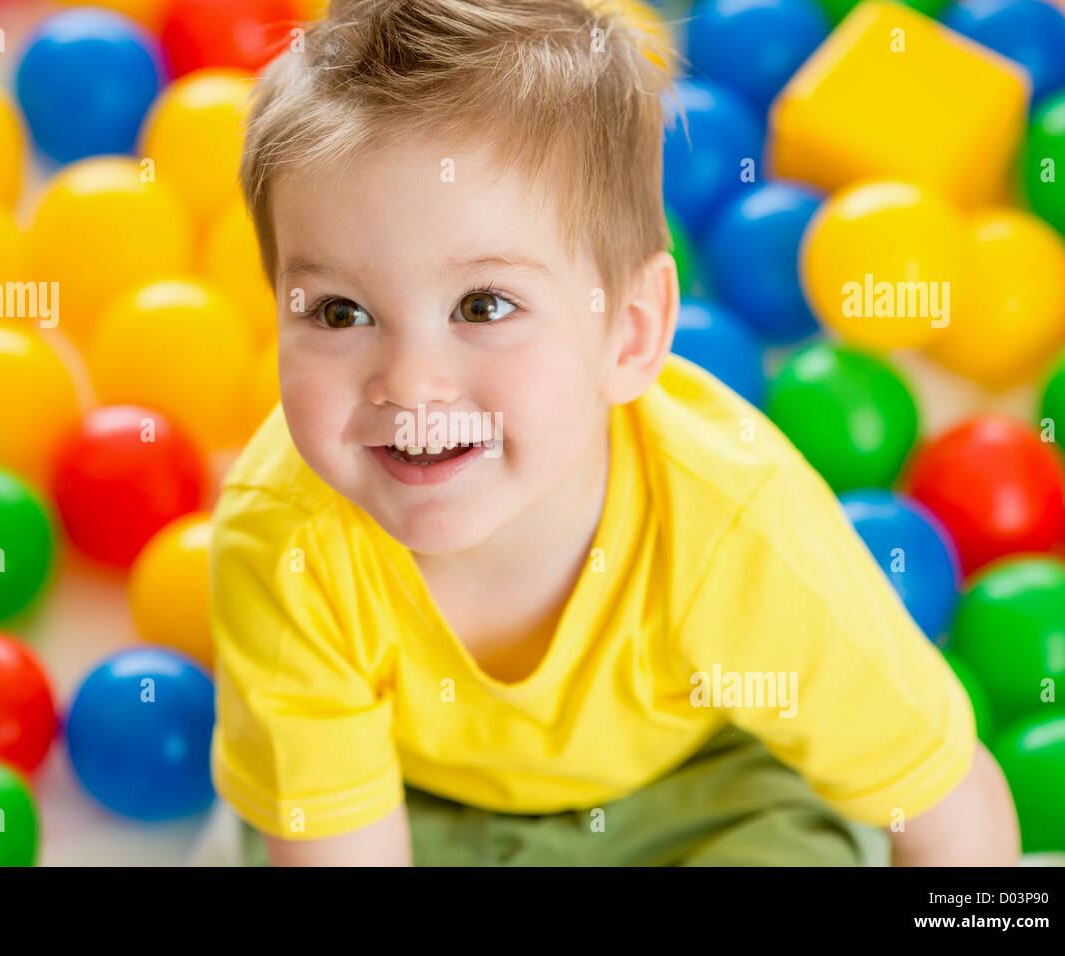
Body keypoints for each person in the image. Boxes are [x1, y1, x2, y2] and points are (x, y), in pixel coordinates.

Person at [208, 0, 1018, 866]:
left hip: (705, 795)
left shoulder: (733, 530)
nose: (408, 382)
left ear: (630, 334)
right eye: (341, 311)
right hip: (416, 805)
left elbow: (942, 803)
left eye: (484, 306)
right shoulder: (285, 539)